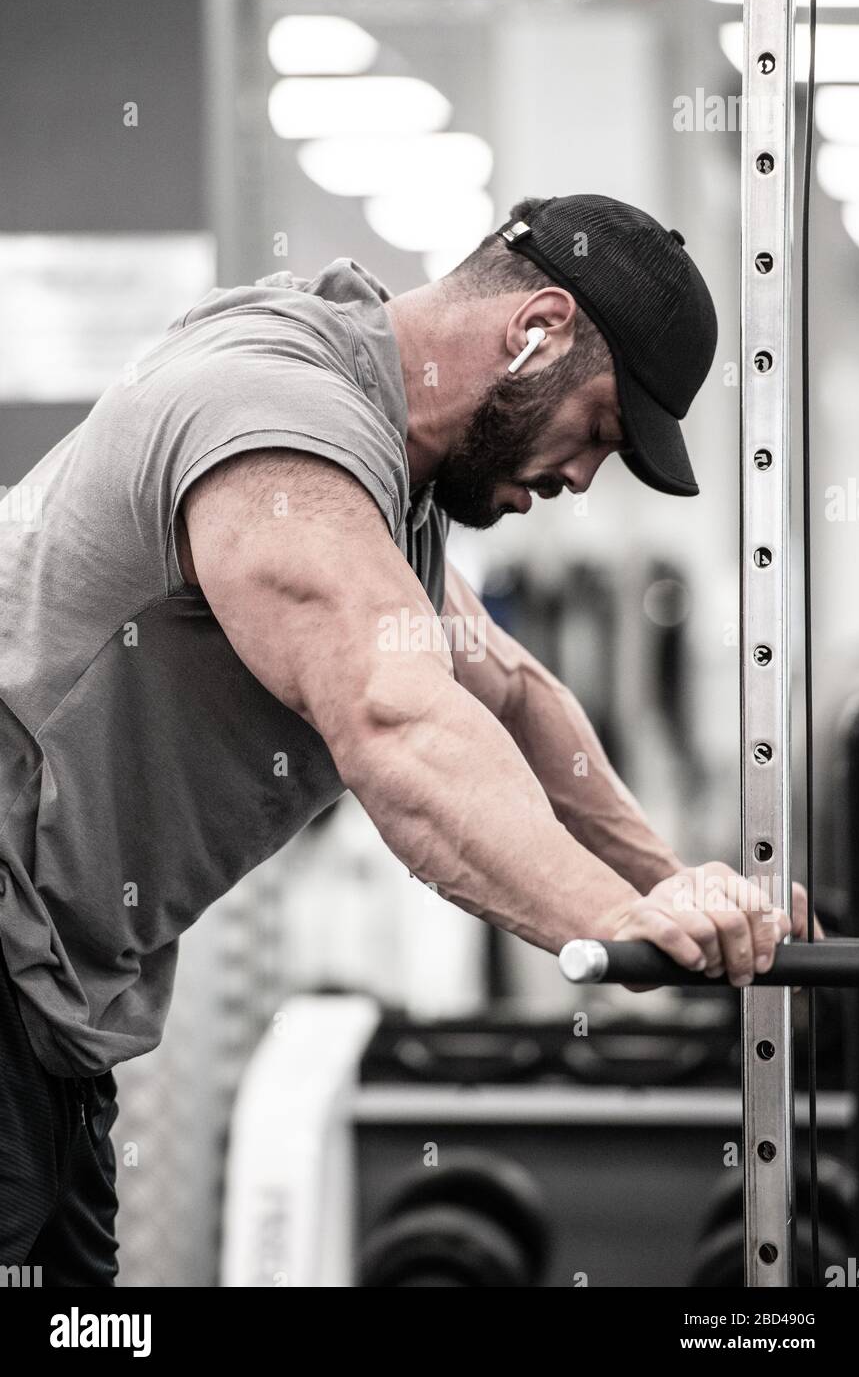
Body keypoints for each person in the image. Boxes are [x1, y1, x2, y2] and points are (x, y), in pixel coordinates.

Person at [0, 193, 813, 1285]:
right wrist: (618, 917)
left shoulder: (389, 464)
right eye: (601, 433)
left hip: (50, 1010)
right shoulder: (277, 417)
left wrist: (679, 887)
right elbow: (400, 723)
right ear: (538, 328)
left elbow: (515, 701)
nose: (580, 480)